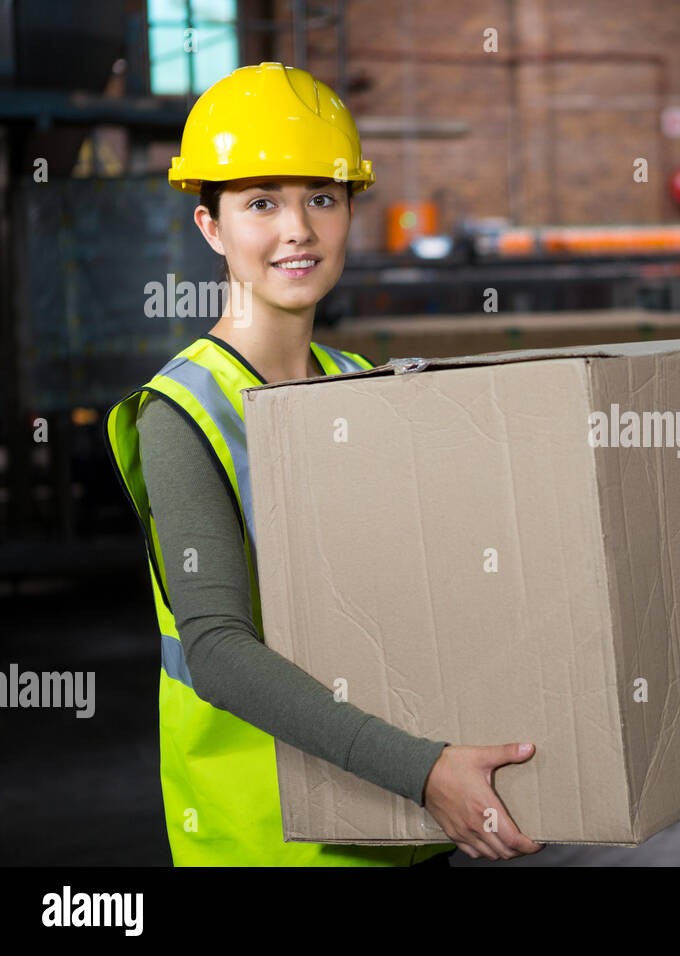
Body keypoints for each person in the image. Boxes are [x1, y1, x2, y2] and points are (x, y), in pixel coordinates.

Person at [103, 62, 543, 866]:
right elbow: (218, 652)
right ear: (210, 227)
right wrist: (422, 771)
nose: (298, 228)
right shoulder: (184, 413)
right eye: (262, 202)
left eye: (323, 198)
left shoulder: (361, 387)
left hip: (409, 829)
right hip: (273, 843)